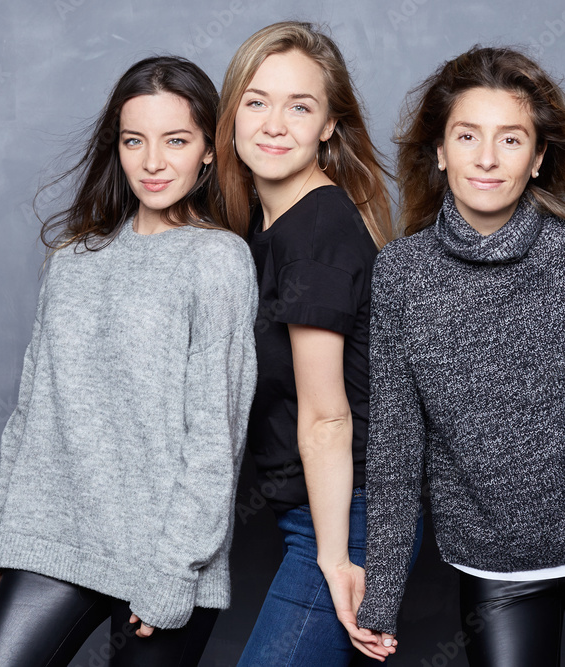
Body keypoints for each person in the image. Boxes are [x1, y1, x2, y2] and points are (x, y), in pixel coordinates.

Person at [356, 46, 565, 667]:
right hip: (495, 565)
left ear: (536, 159)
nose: (487, 157)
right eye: (467, 136)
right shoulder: (401, 273)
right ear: (440, 151)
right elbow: (396, 444)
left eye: (510, 139)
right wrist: (383, 596)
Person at [0, 55, 257, 667]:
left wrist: (175, 571)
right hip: (57, 537)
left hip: (166, 555)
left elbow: (215, 437)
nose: (153, 162)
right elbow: (33, 413)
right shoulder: (73, 261)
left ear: (209, 149)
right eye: (134, 140)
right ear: (116, 147)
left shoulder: (218, 261)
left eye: (176, 140)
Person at [215, 21, 423, 665]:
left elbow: (329, 416)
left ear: (329, 126)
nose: (275, 124)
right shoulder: (267, 230)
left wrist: (335, 557)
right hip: (318, 512)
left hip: (344, 518)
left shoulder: (315, 231)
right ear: (231, 114)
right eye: (257, 101)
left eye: (300, 106)